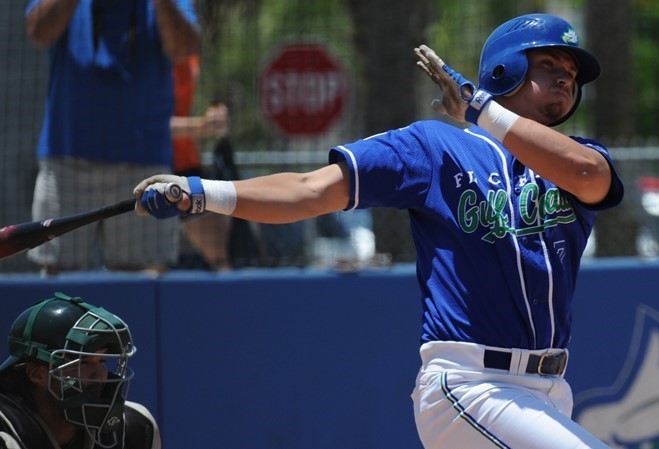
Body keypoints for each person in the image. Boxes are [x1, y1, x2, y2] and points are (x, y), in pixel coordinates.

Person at [134, 13, 622, 448]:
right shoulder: (434, 149)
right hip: (472, 385)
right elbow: (308, 190)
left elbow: (587, 176)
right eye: (551, 66)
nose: (566, 78)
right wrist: (203, 192)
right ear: (504, 70)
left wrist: (481, 110)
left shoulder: (577, 157)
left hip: (552, 390)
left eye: (573, 74)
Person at [25, 0, 201, 275]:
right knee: (58, 280)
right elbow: (38, 33)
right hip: (67, 157)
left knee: (143, 282)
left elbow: (184, 48)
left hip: (144, 163)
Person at [0, 292, 160, 448]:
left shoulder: (133, 428)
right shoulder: (6, 435)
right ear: (36, 373)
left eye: (102, 360)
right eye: (83, 362)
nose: (101, 375)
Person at [170, 55, 233, 271]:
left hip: (187, 167)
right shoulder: (145, 56)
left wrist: (214, 117)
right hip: (148, 168)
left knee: (219, 259)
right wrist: (199, 126)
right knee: (149, 266)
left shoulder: (191, 59)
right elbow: (144, 124)